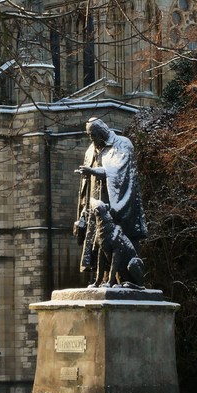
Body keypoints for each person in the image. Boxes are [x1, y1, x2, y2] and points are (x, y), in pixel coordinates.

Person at [74, 118, 147, 283]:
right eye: (89, 135)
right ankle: (103, 279)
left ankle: (127, 280)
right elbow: (85, 187)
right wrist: (82, 213)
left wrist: (93, 171)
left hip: (117, 207)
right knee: (98, 246)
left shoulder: (122, 144)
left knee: (121, 246)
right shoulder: (91, 149)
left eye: (93, 135)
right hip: (96, 208)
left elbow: (120, 172)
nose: (91, 139)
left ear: (102, 132)